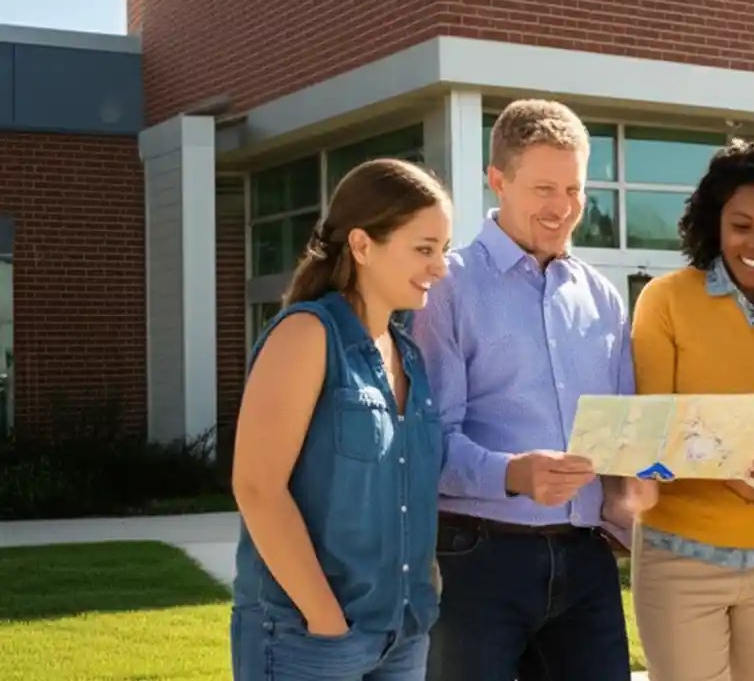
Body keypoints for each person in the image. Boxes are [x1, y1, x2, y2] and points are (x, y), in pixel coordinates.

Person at [413, 99, 638, 681]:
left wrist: (637, 490)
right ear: (498, 180)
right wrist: (514, 474)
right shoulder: (446, 288)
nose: (563, 209)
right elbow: (427, 444)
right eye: (543, 188)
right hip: (477, 559)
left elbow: (622, 438)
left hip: (586, 560)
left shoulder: (605, 298)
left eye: (575, 189)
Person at [229, 158, 454, 681]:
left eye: (443, 249)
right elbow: (257, 486)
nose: (440, 267)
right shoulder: (307, 335)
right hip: (308, 640)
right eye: (424, 249)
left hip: (401, 632)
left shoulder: (407, 352)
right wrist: (325, 618)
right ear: (361, 245)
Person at [627, 136, 754, 681]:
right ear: (714, 221)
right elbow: (651, 436)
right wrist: (730, 470)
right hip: (679, 557)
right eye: (741, 225)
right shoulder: (665, 300)